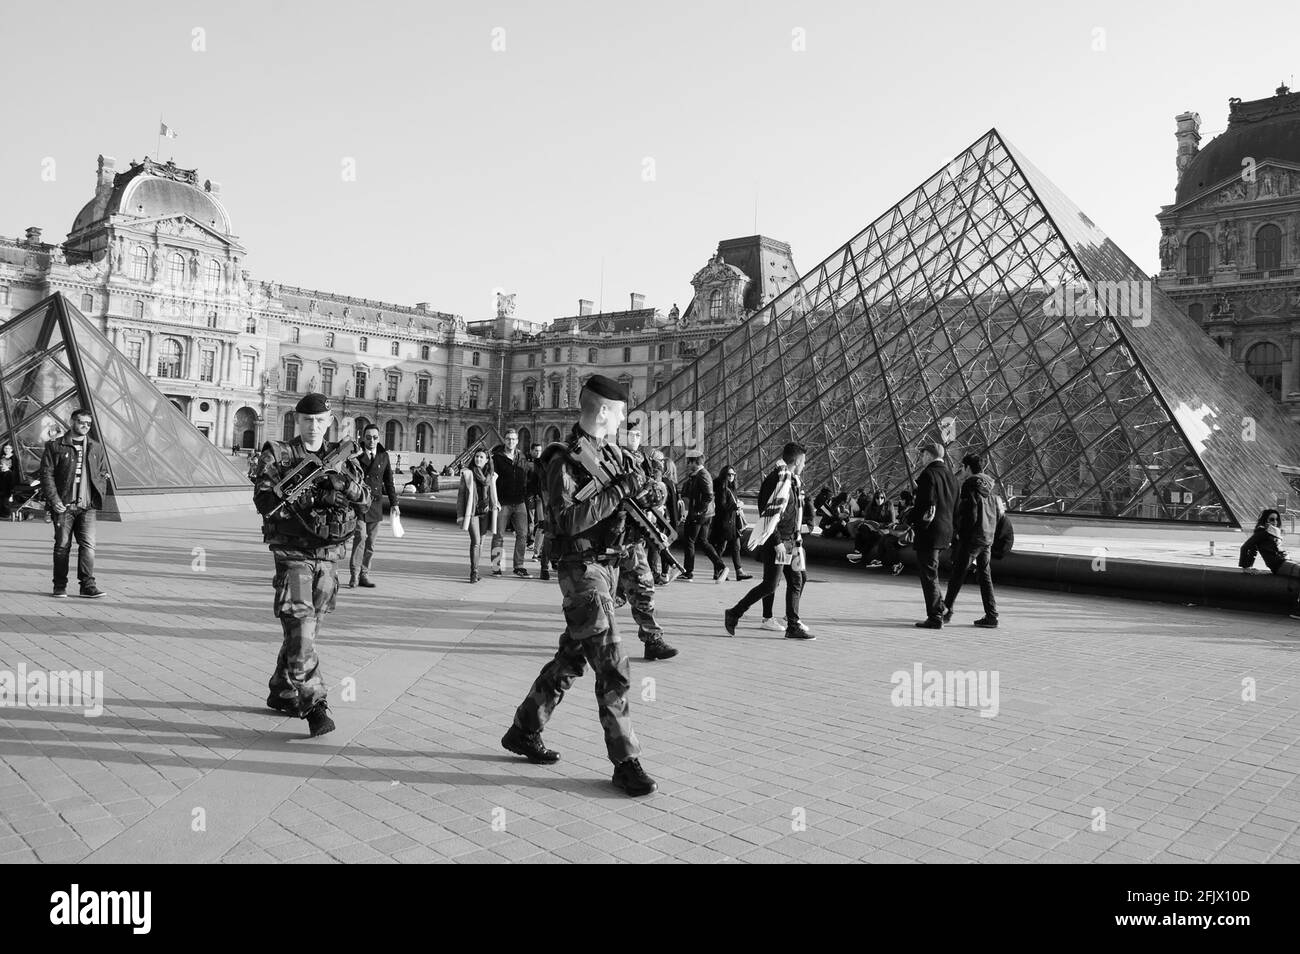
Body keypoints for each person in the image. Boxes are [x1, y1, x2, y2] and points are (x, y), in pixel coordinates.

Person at [502, 375, 658, 797]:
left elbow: (632, 504)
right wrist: (620, 491)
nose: (625, 419)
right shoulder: (563, 460)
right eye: (621, 412)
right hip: (581, 572)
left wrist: (648, 490)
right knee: (613, 667)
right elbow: (567, 520)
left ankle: (524, 729)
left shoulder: (613, 455)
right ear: (604, 411)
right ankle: (625, 762)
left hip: (608, 567)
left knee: (570, 660)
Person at [252, 393, 371, 737]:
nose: (313, 426)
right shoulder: (279, 453)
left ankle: (282, 687)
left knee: (308, 627)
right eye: (307, 420)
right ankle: (315, 704)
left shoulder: (344, 457)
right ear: (297, 420)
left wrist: (341, 484)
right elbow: (263, 498)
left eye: (319, 420)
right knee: (302, 627)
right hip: (294, 555)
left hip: (330, 555)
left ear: (329, 419)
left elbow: (364, 498)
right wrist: (305, 493)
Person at [724, 441, 815, 640]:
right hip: (778, 543)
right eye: (804, 462)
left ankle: (793, 625)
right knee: (770, 585)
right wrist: (777, 542)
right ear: (797, 460)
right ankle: (734, 613)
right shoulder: (776, 480)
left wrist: (794, 539)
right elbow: (766, 514)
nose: (805, 466)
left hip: (791, 541)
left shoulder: (790, 480)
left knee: (797, 580)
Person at [615, 422, 679, 661]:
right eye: (631, 434)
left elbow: (653, 495)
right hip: (613, 535)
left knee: (642, 587)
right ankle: (581, 635)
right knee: (611, 594)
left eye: (638, 434)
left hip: (634, 536)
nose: (635, 438)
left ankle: (652, 640)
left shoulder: (644, 460)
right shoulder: (613, 457)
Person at [39, 409, 110, 598]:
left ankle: (87, 585)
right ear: (72, 422)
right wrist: (55, 501)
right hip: (64, 506)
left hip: (87, 507)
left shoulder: (96, 447)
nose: (85, 426)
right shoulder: (55, 446)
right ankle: (60, 586)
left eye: (89, 423)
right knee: (62, 546)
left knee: (88, 546)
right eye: (81, 422)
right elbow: (47, 475)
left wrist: (100, 490)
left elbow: (102, 473)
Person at [940, 453, 999, 628]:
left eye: (962, 467)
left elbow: (970, 511)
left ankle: (945, 611)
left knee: (958, 574)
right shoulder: (990, 484)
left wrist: (961, 533)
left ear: (967, 467)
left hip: (972, 536)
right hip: (987, 535)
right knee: (985, 576)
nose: (961, 470)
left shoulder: (969, 485)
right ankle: (992, 615)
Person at [910, 441, 958, 628]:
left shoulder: (928, 475)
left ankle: (936, 615)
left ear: (929, 455)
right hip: (946, 530)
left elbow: (926, 504)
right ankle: (940, 608)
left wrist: (912, 520)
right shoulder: (951, 476)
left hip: (930, 531)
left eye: (922, 454)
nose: (921, 458)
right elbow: (956, 507)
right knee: (932, 571)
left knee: (928, 573)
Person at [348, 424, 399, 588]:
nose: (372, 440)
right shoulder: (356, 454)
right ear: (363, 438)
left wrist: (394, 503)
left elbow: (389, 482)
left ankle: (364, 574)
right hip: (359, 503)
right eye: (368, 437)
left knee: (371, 542)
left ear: (379, 437)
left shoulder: (384, 456)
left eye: (375, 437)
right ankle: (355, 574)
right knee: (360, 537)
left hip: (376, 504)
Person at [678, 449, 729, 582]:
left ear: (695, 461)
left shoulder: (702, 475)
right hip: (706, 514)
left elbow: (708, 495)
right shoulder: (699, 474)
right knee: (703, 541)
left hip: (700, 515)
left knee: (689, 541)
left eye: (689, 462)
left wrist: (698, 510)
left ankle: (688, 572)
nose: (687, 464)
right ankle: (721, 566)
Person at [1240, 508, 1300, 619]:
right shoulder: (1262, 532)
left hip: (1285, 561)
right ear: (1265, 520)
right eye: (1272, 519)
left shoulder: (1272, 531)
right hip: (1279, 565)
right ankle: (1297, 610)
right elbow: (1246, 547)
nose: (1275, 522)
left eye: (1277, 519)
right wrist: (1246, 566)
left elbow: (1254, 550)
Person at [491, 429, 530, 578]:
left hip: (519, 501)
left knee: (523, 534)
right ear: (504, 441)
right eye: (508, 439)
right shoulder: (497, 458)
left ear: (517, 441)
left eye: (513, 439)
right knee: (498, 535)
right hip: (503, 502)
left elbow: (526, 477)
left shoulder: (522, 457)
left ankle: (519, 566)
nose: (511, 442)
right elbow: (492, 480)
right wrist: (494, 501)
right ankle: (496, 566)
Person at [456, 448, 499, 583]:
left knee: (481, 544)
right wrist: (460, 515)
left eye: (481, 457)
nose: (478, 459)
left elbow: (494, 493)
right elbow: (461, 496)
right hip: (472, 512)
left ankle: (476, 569)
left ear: (487, 460)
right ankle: (473, 572)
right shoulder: (467, 474)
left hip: (486, 512)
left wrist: (496, 504)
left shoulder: (491, 476)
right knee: (475, 542)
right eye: (476, 457)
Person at [710, 464, 753, 581]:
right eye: (729, 474)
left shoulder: (732, 488)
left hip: (732, 523)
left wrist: (737, 504)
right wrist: (736, 505)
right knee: (721, 547)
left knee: (736, 546)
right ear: (724, 475)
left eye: (733, 474)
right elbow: (721, 506)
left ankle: (739, 572)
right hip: (723, 522)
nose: (731, 476)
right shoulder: (721, 488)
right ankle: (718, 571)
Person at [847, 490, 896, 566]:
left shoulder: (889, 505)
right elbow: (866, 520)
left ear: (884, 498)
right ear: (874, 498)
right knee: (861, 532)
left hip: (883, 530)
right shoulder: (870, 507)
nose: (879, 500)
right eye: (877, 498)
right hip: (871, 529)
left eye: (881, 498)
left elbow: (892, 522)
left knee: (873, 536)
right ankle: (857, 552)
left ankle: (861, 554)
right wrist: (870, 524)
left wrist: (880, 525)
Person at [656, 447, 682, 582]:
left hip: (663, 518)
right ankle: (666, 571)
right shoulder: (673, 483)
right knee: (663, 544)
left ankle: (667, 570)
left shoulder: (664, 483)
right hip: (670, 519)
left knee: (659, 544)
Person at [525, 441, 544, 551]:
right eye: (536, 451)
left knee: (539, 520)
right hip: (530, 495)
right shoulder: (527, 463)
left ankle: (536, 541)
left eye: (540, 451)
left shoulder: (542, 463)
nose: (538, 453)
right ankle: (530, 541)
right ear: (531, 451)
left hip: (540, 496)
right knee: (531, 519)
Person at [0, 441, 21, 520]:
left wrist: (8, 470)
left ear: (12, 449)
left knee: (5, 498)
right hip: (2, 476)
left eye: (8, 448)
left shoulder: (14, 458)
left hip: (9, 477)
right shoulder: (2, 456)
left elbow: (16, 470)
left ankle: (5, 514)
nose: (6, 449)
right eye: (5, 448)